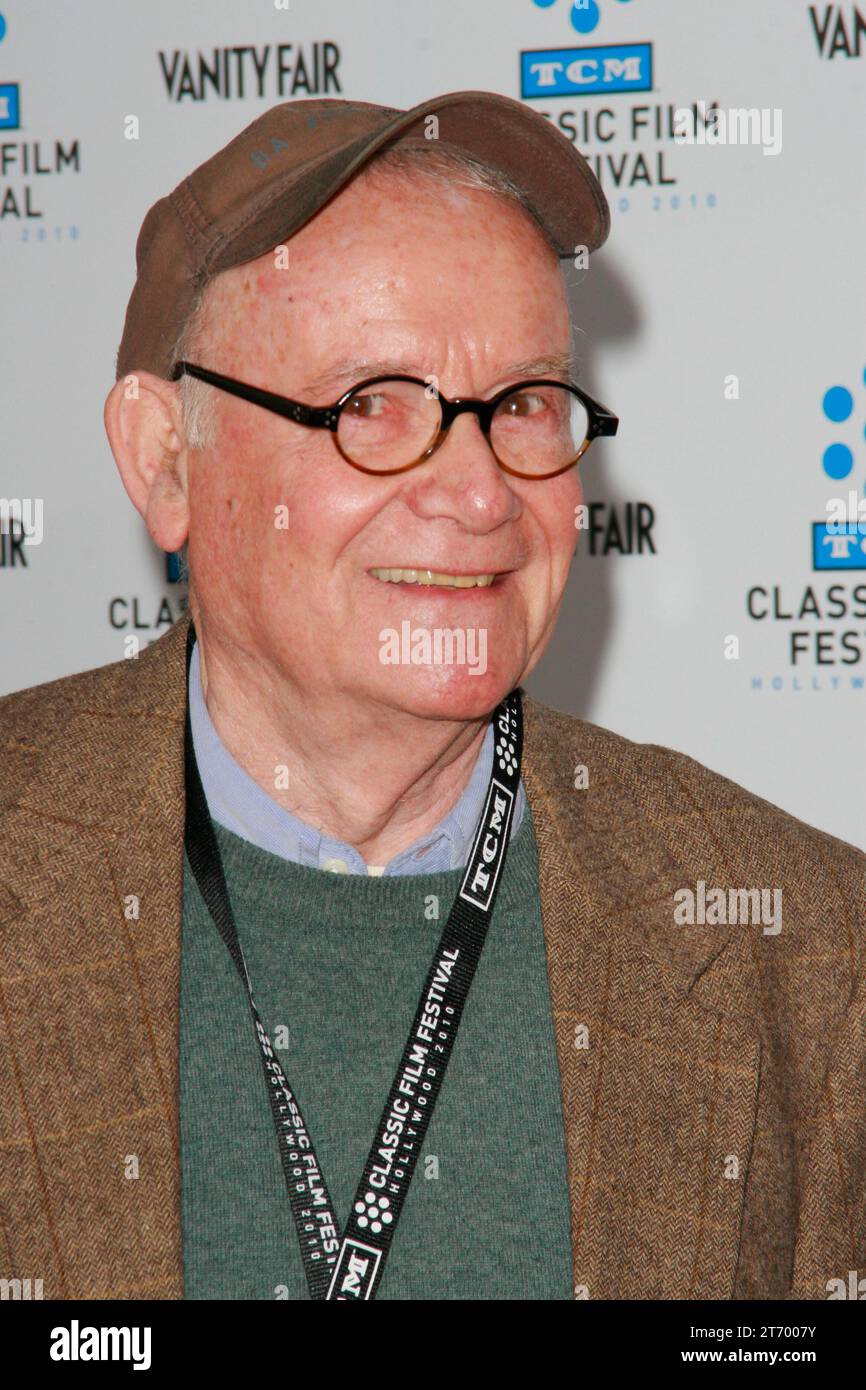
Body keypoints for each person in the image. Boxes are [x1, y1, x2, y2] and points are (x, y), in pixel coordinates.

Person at [1, 92, 863, 1303]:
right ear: (162, 461)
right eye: (369, 405)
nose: (477, 493)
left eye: (518, 404)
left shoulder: (808, 947)